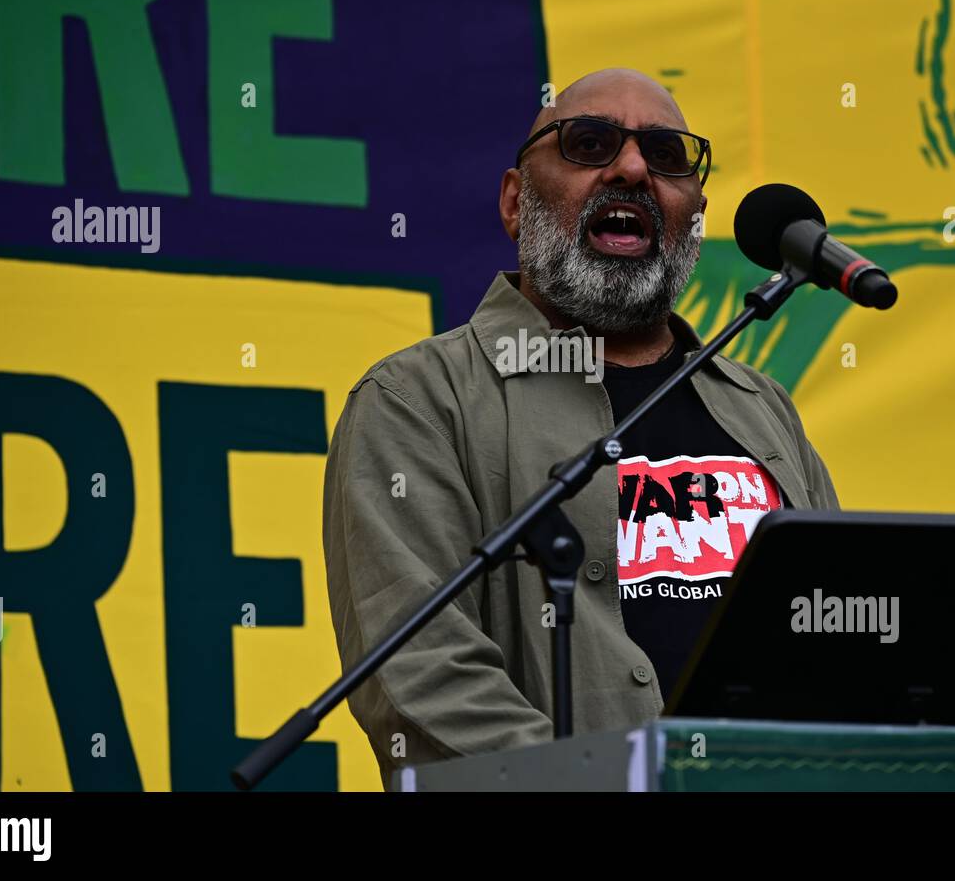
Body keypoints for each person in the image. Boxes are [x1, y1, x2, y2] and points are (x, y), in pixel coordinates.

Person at [324, 68, 838, 787]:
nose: (631, 168)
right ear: (515, 202)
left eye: (665, 157)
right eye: (589, 143)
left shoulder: (763, 408)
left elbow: (840, 648)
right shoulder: (416, 398)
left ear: (695, 211)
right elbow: (421, 681)